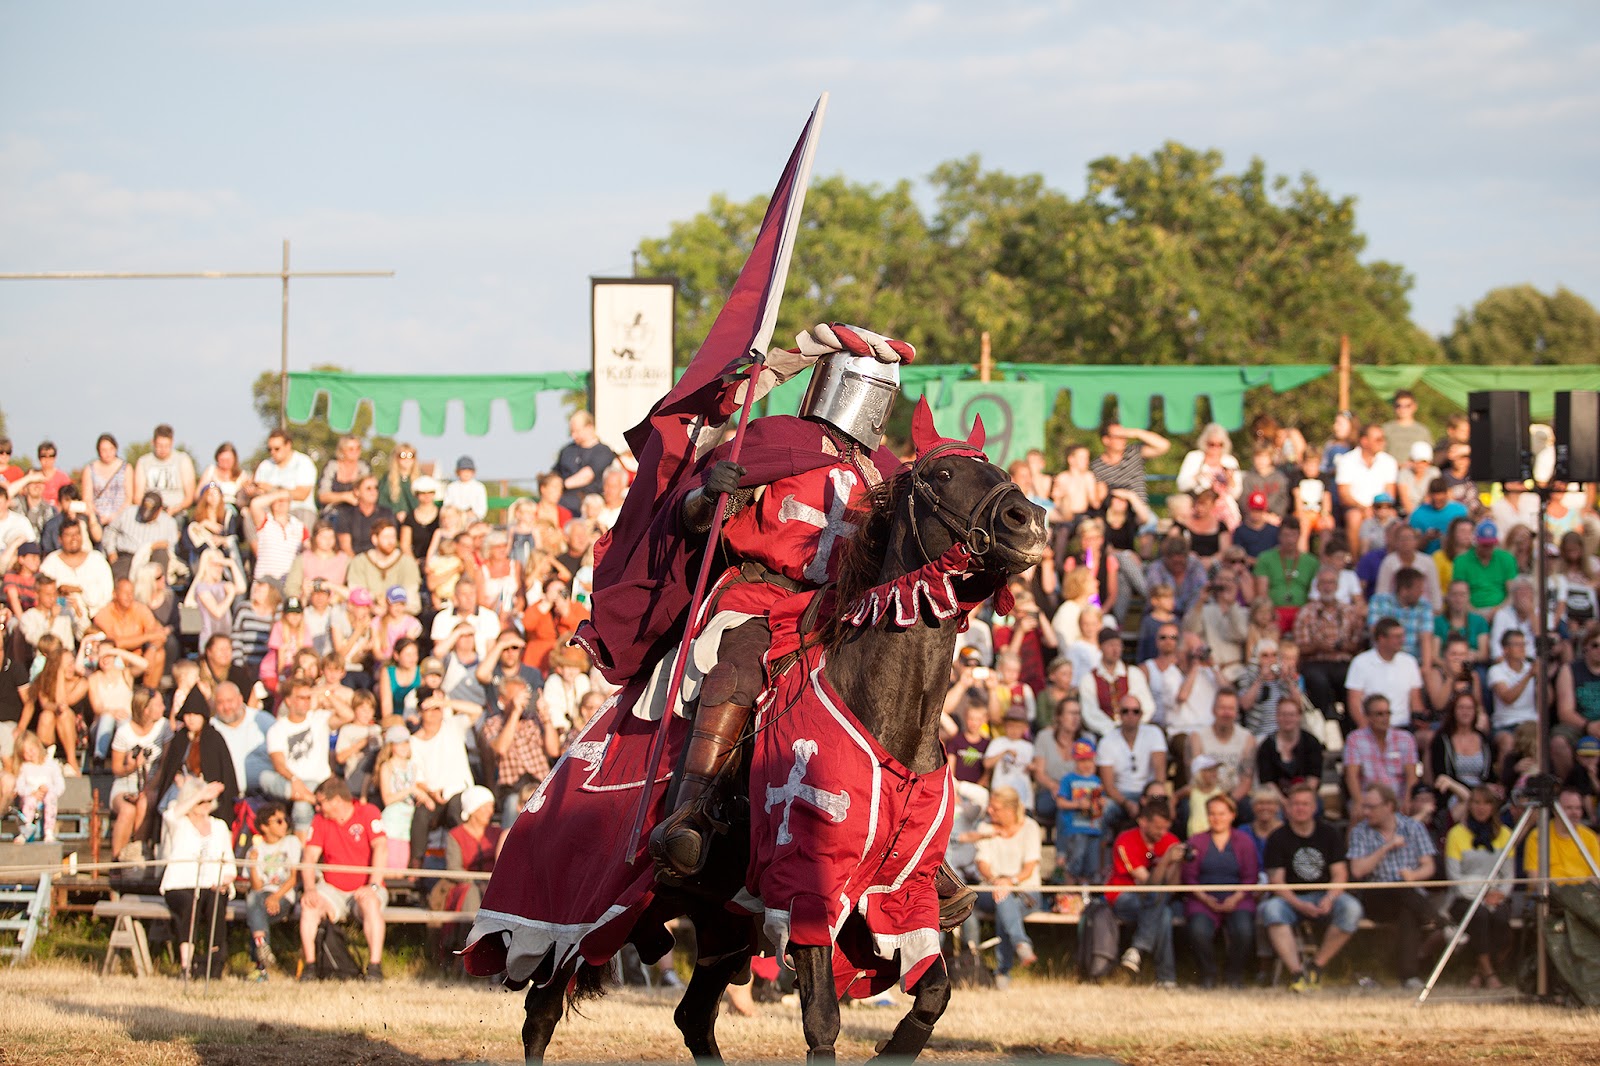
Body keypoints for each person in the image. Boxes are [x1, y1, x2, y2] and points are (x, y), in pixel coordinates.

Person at [1261, 781, 1363, 991]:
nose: (1300, 808)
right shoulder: (1277, 838)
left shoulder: (1330, 833)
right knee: (1271, 909)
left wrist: (1330, 897)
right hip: (1291, 899)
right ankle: (1297, 973)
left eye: (1305, 804)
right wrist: (1298, 903)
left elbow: (1340, 874)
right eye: (1296, 804)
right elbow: (1276, 882)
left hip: (1325, 896)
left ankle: (1317, 966)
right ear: (1287, 808)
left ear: (1314, 807)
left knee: (1352, 908)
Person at [1347, 782, 1438, 989]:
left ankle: (1409, 976)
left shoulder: (1413, 828)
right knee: (1402, 890)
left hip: (1410, 897)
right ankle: (1440, 922)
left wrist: (1414, 875)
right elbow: (1358, 871)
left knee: (1407, 909)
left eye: (1371, 807)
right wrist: (1386, 847)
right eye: (1364, 806)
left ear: (1388, 806)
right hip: (1376, 897)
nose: (1366, 811)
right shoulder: (1360, 832)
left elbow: (1429, 866)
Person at [298, 776, 388, 982]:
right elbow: (309, 857)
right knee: (309, 906)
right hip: (331, 889)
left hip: (365, 887)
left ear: (336, 800)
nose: (318, 808)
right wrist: (310, 889)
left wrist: (373, 885)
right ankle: (310, 967)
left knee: (370, 903)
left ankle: (375, 967)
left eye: (321, 803)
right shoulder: (320, 821)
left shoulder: (368, 813)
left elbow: (381, 847)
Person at [157, 777, 236, 979]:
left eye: (208, 802)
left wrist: (224, 881)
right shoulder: (179, 823)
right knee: (191, 904)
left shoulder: (219, 827)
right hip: (181, 885)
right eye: (200, 802)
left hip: (212, 885)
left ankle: (214, 963)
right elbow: (170, 815)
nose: (204, 805)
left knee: (217, 902)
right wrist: (200, 794)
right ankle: (186, 965)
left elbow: (230, 864)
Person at [1181, 793, 1258, 988]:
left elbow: (1251, 876)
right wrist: (1205, 899)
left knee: (1243, 930)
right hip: (1203, 899)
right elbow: (1189, 877)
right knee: (1198, 930)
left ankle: (1234, 974)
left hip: (1238, 897)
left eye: (1222, 814)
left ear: (1232, 815)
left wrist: (1236, 898)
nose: (1217, 818)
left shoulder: (1244, 841)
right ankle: (1208, 974)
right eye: (1212, 814)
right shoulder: (1196, 841)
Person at [968, 786, 1042, 989]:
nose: (989, 811)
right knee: (1002, 897)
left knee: (1004, 902)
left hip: (1026, 892)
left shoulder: (1030, 827)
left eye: (995, 808)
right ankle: (1021, 944)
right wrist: (996, 880)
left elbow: (1029, 868)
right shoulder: (986, 828)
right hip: (992, 889)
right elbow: (982, 864)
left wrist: (1010, 882)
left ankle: (1004, 970)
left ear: (1010, 810)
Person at [1442, 786, 1514, 989]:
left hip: (1497, 896)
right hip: (1464, 897)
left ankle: (1478, 971)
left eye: (1486, 803)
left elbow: (1508, 874)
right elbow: (1454, 877)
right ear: (1469, 806)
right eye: (1476, 802)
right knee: (1479, 915)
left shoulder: (1505, 834)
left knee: (1500, 919)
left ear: (1494, 807)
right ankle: (1489, 973)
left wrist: (1499, 894)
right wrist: (1481, 895)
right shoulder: (1456, 834)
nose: (1481, 808)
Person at [1106, 797, 1181, 988]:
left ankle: (1137, 951)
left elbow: (1172, 888)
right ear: (1143, 821)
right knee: (1160, 907)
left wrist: (1178, 863)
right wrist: (1165, 861)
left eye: (1166, 828)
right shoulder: (1126, 840)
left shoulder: (1170, 841)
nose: (1162, 833)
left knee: (1163, 913)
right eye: (1158, 828)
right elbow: (1149, 885)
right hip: (1125, 896)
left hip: (1156, 901)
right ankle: (1166, 977)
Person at [263, 678, 354, 834]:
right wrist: (295, 780)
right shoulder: (277, 729)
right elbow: (278, 764)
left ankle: (304, 853)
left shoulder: (319, 719)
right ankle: (314, 800)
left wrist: (326, 693)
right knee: (264, 777)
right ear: (288, 701)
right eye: (300, 698)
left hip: (320, 783)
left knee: (301, 806)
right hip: (292, 783)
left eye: (308, 697)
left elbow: (348, 715)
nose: (305, 702)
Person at [407, 686, 483, 870]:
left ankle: (468, 860)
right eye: (429, 709)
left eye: (437, 709)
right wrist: (431, 793)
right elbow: (417, 777)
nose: (434, 713)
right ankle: (416, 864)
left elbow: (477, 710)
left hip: (459, 791)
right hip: (434, 796)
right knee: (421, 813)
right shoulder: (414, 741)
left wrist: (444, 702)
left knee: (456, 811)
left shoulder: (453, 726)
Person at [481, 675, 562, 827]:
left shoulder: (534, 720)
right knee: (513, 804)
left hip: (541, 783)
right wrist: (514, 713)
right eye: (517, 697)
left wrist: (546, 719)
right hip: (512, 788)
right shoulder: (492, 724)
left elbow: (553, 751)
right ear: (502, 700)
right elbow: (501, 749)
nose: (523, 702)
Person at [243, 800, 302, 981]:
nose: (284, 824)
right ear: (264, 826)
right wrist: (253, 865)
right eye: (278, 821)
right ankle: (262, 954)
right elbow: (257, 887)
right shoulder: (255, 850)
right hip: (262, 897)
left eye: (284, 820)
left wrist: (276, 897)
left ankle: (260, 964)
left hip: (284, 895)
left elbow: (293, 878)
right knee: (256, 903)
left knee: (255, 912)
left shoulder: (291, 842)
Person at [1096, 695, 1168, 835]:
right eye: (1125, 711)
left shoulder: (1153, 733)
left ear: (1141, 714)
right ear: (1119, 714)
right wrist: (1126, 803)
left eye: (1135, 711)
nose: (1130, 715)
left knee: (1164, 810)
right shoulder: (1107, 741)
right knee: (1101, 812)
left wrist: (1150, 799)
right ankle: (1101, 855)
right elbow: (1109, 786)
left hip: (1149, 793)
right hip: (1120, 795)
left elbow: (1160, 773)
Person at [1345, 618, 1425, 731]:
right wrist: (1366, 730)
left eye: (1402, 636)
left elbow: (1416, 701)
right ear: (1381, 639)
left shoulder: (1410, 662)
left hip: (1404, 727)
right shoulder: (1360, 662)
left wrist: (1420, 722)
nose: (1402, 640)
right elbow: (1354, 703)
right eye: (1397, 637)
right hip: (1372, 728)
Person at [1343, 695, 1420, 813]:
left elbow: (1411, 776)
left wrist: (1407, 800)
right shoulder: (1355, 739)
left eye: (1387, 713)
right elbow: (1351, 776)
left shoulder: (1405, 738)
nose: (1385, 718)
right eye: (1379, 714)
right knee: (1356, 811)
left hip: (1398, 798)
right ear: (1368, 716)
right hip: (1368, 799)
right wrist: (1360, 802)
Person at [93, 577, 168, 689]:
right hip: (114, 658)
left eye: (131, 592)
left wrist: (152, 648)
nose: (129, 596)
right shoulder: (103, 615)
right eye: (125, 593)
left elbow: (160, 635)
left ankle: (149, 693)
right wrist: (148, 636)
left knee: (159, 654)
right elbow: (116, 643)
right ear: (115, 594)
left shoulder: (140, 609)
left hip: (139, 657)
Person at [1335, 424, 1398, 555]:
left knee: (1394, 520)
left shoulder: (1389, 461)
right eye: (1378, 439)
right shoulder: (1347, 460)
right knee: (1354, 517)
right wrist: (1364, 508)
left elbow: (1390, 493)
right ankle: (1356, 562)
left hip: (1381, 506)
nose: (1382, 442)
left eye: (1383, 439)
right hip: (1356, 507)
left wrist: (1379, 509)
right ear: (1364, 441)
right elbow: (1344, 494)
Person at [1078, 628, 1154, 735]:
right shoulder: (1089, 679)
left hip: (1135, 731)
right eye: (1110, 645)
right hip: (1102, 733)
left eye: (1118, 645)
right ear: (1100, 647)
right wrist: (1112, 729)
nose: (1115, 650)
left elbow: (1147, 705)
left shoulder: (1133, 673)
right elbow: (1090, 712)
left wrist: (1134, 725)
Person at [1053, 739, 1103, 888]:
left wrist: (1100, 804)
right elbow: (1060, 802)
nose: (1086, 764)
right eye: (1082, 760)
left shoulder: (1096, 781)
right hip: (1075, 828)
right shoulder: (1069, 779)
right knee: (1074, 862)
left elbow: (1099, 804)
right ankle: (1070, 892)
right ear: (1075, 761)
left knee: (1091, 865)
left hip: (1093, 828)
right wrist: (1078, 804)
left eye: (1089, 760)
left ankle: (1085, 894)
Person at [1366, 567, 1436, 671]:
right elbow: (1375, 631)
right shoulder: (1379, 601)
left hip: (1414, 661)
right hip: (1382, 658)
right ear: (1404, 590)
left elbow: (1426, 637)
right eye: (1418, 588)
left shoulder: (1424, 606)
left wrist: (1426, 668)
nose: (1422, 592)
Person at [40, 520, 114, 618]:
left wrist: (78, 589)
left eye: (77, 533)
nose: (74, 538)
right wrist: (63, 599)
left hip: (98, 616)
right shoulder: (51, 562)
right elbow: (43, 594)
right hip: (61, 616)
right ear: (60, 539)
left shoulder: (96, 559)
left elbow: (107, 592)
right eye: (68, 535)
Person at [1256, 697, 1325, 796]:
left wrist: (1300, 800)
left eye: (1291, 715)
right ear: (1277, 717)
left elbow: (1314, 777)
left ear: (1299, 717)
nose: (1287, 719)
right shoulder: (1266, 746)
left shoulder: (1311, 742)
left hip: (1306, 796)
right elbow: (1267, 781)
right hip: (1276, 798)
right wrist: (1285, 804)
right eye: (1283, 715)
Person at [252, 429, 319, 529]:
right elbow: (259, 493)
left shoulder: (304, 462)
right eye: (269, 449)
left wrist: (271, 489)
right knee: (249, 515)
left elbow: (302, 494)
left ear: (288, 445)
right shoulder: (265, 465)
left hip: (299, 509)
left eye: (277, 448)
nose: (272, 452)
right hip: (271, 512)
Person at [1091, 421, 1170, 505]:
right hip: (1114, 511)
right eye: (1119, 437)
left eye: (1125, 436)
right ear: (1106, 440)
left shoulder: (1133, 452)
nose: (1123, 440)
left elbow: (1164, 446)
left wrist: (1137, 433)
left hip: (1140, 509)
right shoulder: (1096, 466)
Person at [1453, 520, 1518, 619]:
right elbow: (1459, 593)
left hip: (1501, 610)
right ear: (1476, 542)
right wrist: (1476, 614)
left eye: (1490, 545)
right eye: (1484, 545)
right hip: (1471, 610)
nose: (1487, 548)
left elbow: (1512, 593)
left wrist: (1498, 610)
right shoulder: (1461, 561)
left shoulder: (1506, 558)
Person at [131, 424, 197, 518]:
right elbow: (137, 497)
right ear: (153, 442)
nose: (163, 449)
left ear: (172, 442)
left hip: (176, 512)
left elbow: (189, 497)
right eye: (160, 445)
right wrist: (154, 511)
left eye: (167, 446)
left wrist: (174, 509)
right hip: (149, 512)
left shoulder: (183, 459)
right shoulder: (143, 462)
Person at [11, 730, 65, 843]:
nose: (30, 754)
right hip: (31, 797)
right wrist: (32, 792)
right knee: (29, 802)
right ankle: (25, 831)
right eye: (26, 752)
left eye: (31, 749)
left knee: (50, 799)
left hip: (48, 796)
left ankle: (49, 831)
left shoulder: (51, 765)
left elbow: (60, 784)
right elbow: (20, 787)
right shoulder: (24, 768)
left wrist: (49, 790)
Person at [1146, 536, 1207, 616]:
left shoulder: (1195, 566)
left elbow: (1201, 590)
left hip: (1192, 614)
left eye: (1181, 559)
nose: (1177, 563)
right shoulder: (1156, 569)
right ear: (1165, 557)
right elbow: (1159, 595)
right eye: (1173, 561)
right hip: (1163, 614)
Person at [82, 433, 132, 530]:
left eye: (111, 449)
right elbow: (87, 498)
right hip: (97, 519)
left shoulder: (126, 468)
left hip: (121, 518)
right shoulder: (90, 469)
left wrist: (114, 516)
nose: (108, 453)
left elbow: (129, 498)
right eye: (104, 450)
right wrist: (97, 516)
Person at [1381, 390, 1432, 464]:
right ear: (1394, 406)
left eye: (1407, 406)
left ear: (1414, 406)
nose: (1402, 409)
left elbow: (1428, 457)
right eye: (1399, 405)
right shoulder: (1385, 429)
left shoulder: (1423, 431)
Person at [442, 455, 488, 520]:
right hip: (455, 520)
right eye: (463, 470)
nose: (466, 473)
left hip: (473, 520)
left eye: (469, 470)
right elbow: (447, 506)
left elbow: (482, 510)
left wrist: (471, 514)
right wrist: (458, 514)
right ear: (457, 472)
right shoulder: (451, 487)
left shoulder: (479, 487)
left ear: (473, 472)